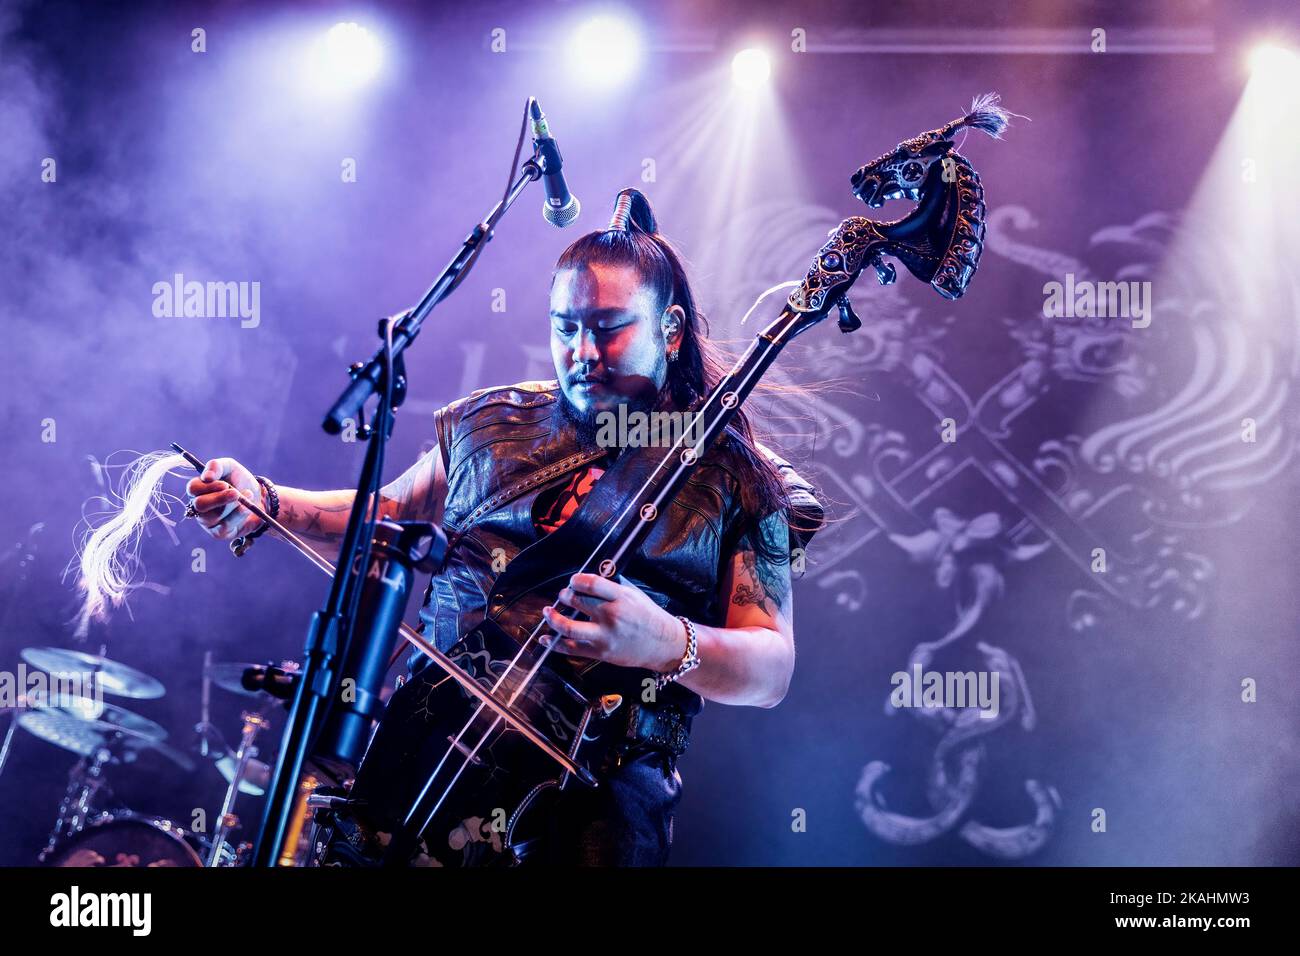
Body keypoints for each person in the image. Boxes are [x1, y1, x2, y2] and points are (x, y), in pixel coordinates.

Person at [186, 187, 824, 866]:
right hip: (425, 761)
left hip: (588, 811)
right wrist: (268, 500)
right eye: (565, 326)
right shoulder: (494, 427)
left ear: (670, 328)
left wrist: (664, 639)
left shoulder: (742, 476)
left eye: (609, 327)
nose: (582, 350)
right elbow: (390, 513)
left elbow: (771, 666)